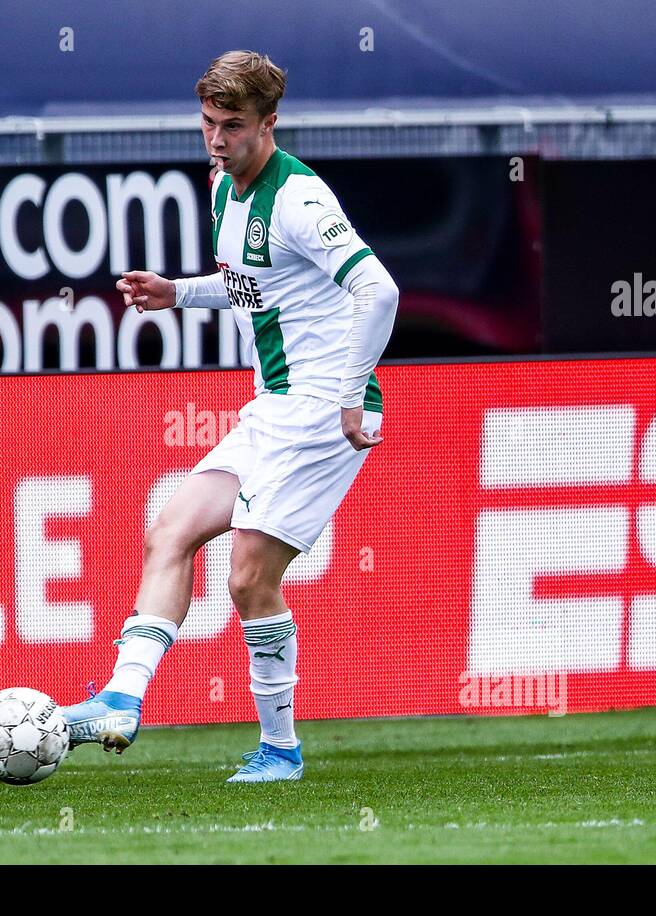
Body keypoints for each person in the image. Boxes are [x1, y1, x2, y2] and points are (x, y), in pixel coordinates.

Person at [59, 50, 399, 782]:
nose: (217, 138)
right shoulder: (223, 187)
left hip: (321, 409)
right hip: (273, 406)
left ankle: (280, 749)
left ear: (269, 123)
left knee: (248, 579)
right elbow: (253, 284)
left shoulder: (300, 200)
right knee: (170, 530)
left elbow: (380, 292)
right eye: (209, 122)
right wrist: (178, 293)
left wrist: (350, 394)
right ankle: (121, 699)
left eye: (233, 125)